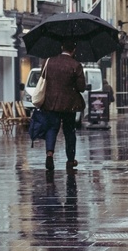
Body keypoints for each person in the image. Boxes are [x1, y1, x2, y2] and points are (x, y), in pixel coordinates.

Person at [29, 39, 86, 174]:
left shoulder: (48, 62)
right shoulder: (76, 65)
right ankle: (70, 160)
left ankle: (49, 154)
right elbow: (81, 87)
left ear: (61, 47)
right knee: (69, 132)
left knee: (51, 129)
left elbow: (44, 79)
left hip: (50, 103)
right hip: (69, 105)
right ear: (74, 50)